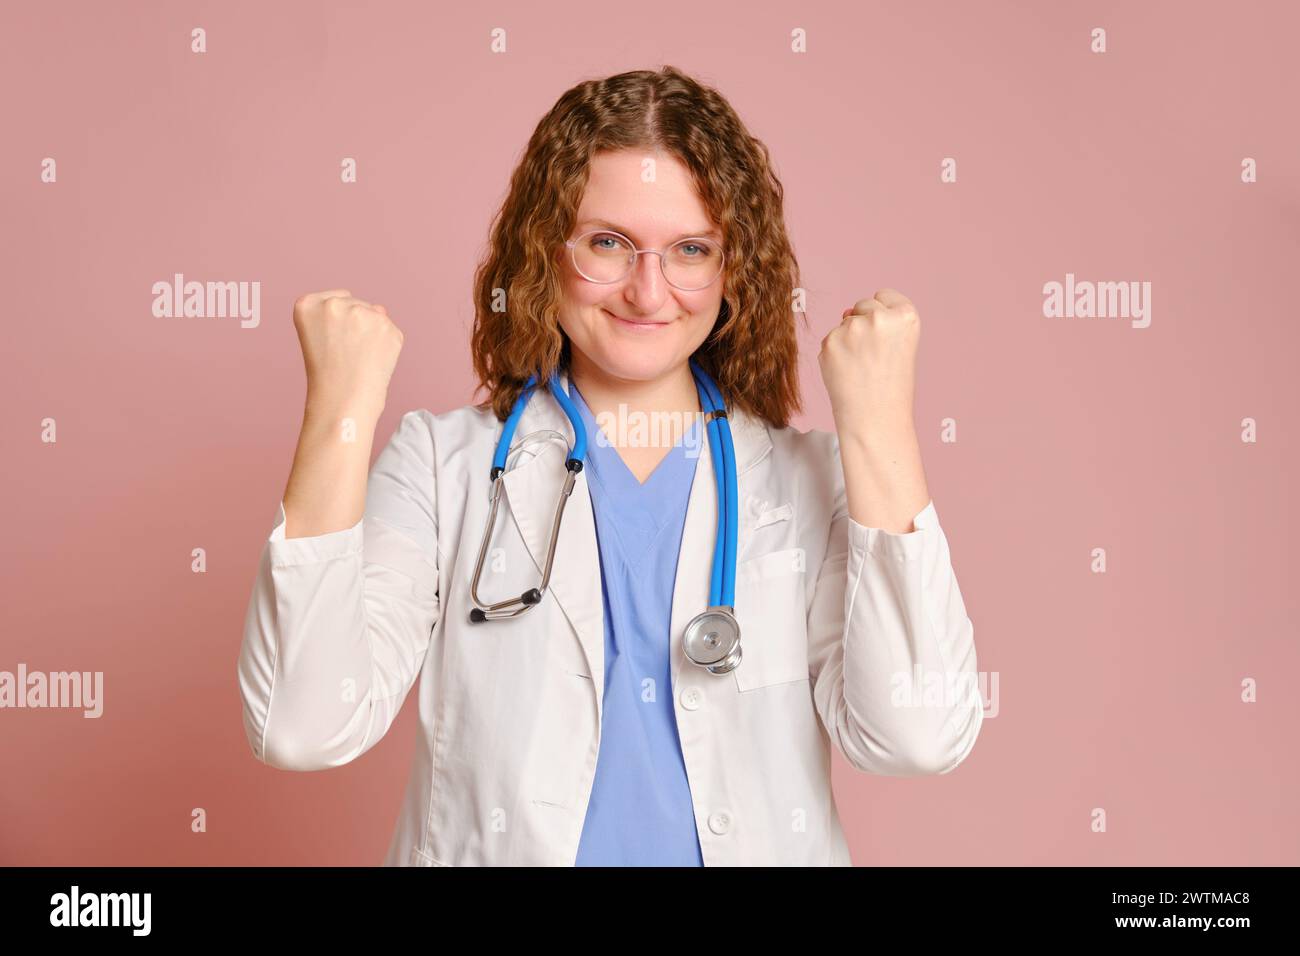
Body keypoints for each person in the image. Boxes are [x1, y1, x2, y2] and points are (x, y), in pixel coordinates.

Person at [237, 65, 984, 867]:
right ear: (543, 249)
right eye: (608, 244)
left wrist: (879, 429)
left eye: (691, 249)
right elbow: (301, 729)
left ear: (733, 271)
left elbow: (917, 736)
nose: (648, 290)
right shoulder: (442, 466)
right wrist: (340, 412)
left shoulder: (808, 480)